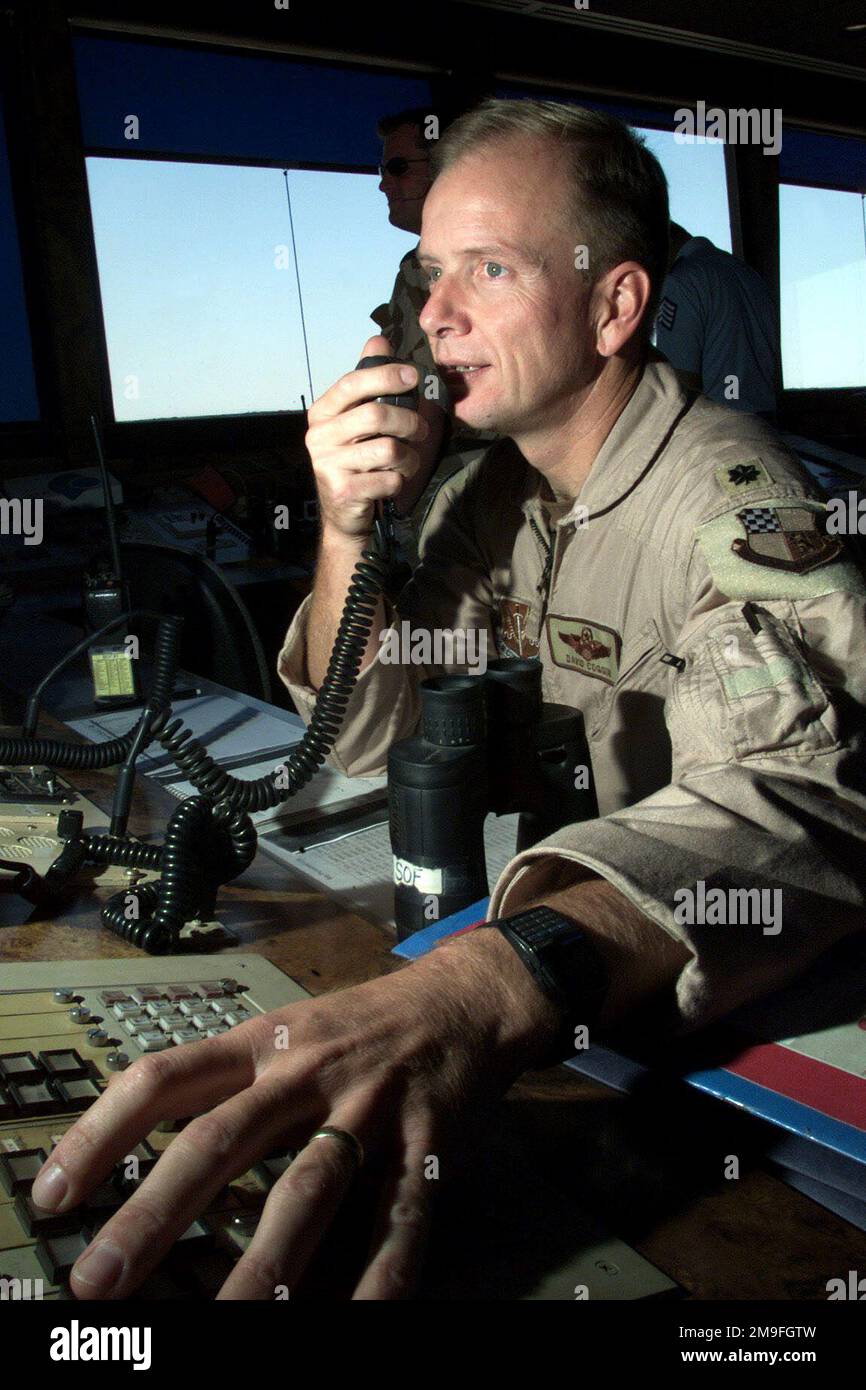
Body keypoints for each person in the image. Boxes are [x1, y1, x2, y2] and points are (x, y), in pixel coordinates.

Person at [35, 99, 866, 1302]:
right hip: (576, 998)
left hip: (727, 1011)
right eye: (430, 272)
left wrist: (485, 981)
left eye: (487, 268)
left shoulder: (733, 499)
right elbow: (364, 729)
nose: (432, 314)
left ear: (615, 304)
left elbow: (809, 792)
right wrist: (343, 526)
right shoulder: (488, 497)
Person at [371, 108, 492, 560]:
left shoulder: (423, 268)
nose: (384, 182)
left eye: (398, 167)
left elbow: (427, 400)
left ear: (445, 170)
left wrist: (394, 510)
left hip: (457, 503)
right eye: (383, 169)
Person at [655, 222, 780, 418]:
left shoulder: (681, 281)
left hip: (718, 428)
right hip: (766, 426)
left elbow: (679, 384)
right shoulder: (749, 274)